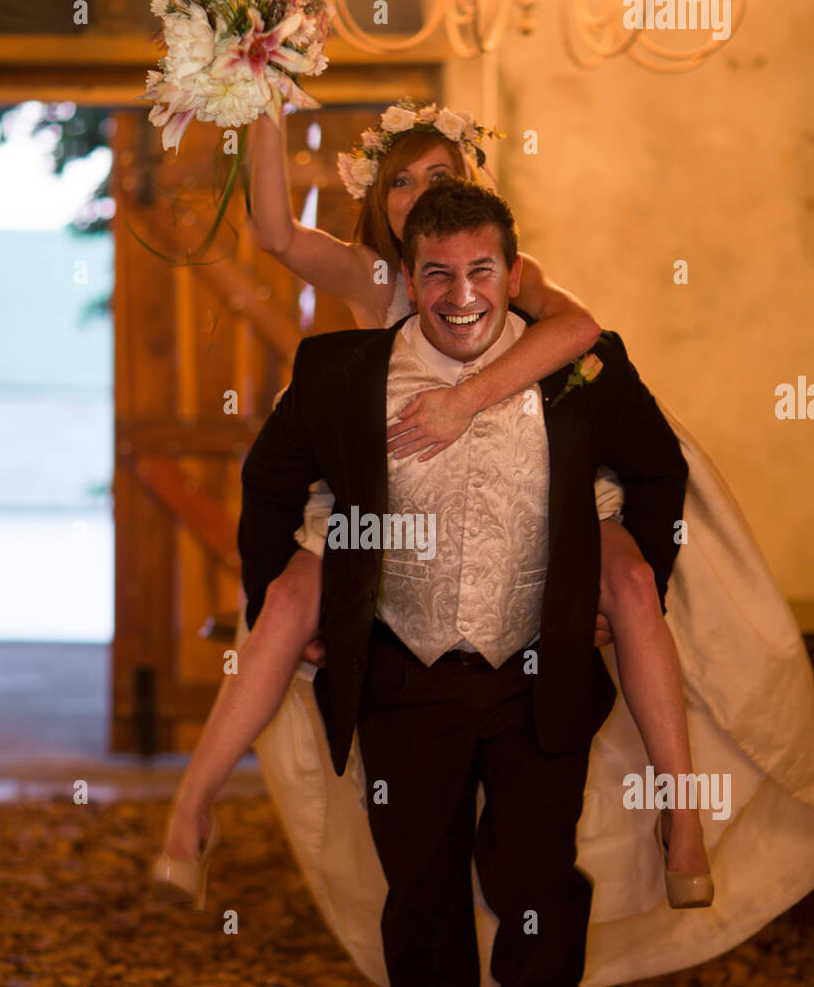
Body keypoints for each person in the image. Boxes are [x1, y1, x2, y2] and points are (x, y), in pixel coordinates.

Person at [237, 177, 690, 987]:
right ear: (409, 278)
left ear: (513, 275)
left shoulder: (582, 371)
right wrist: (290, 604)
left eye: (480, 270)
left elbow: (658, 470)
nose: (459, 294)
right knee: (423, 904)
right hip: (406, 683)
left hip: (538, 680)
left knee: (538, 897)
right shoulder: (340, 373)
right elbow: (268, 482)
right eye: (436, 274)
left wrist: (627, 588)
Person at [152, 101, 712, 900]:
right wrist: (263, 90)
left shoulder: (507, 269)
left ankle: (682, 815)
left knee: (625, 585)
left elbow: (579, 331)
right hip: (394, 484)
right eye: (400, 182)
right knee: (284, 601)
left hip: (532, 471)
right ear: (380, 202)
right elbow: (274, 233)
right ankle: (192, 806)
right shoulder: (370, 274)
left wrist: (468, 400)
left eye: (438, 177)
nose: (418, 194)